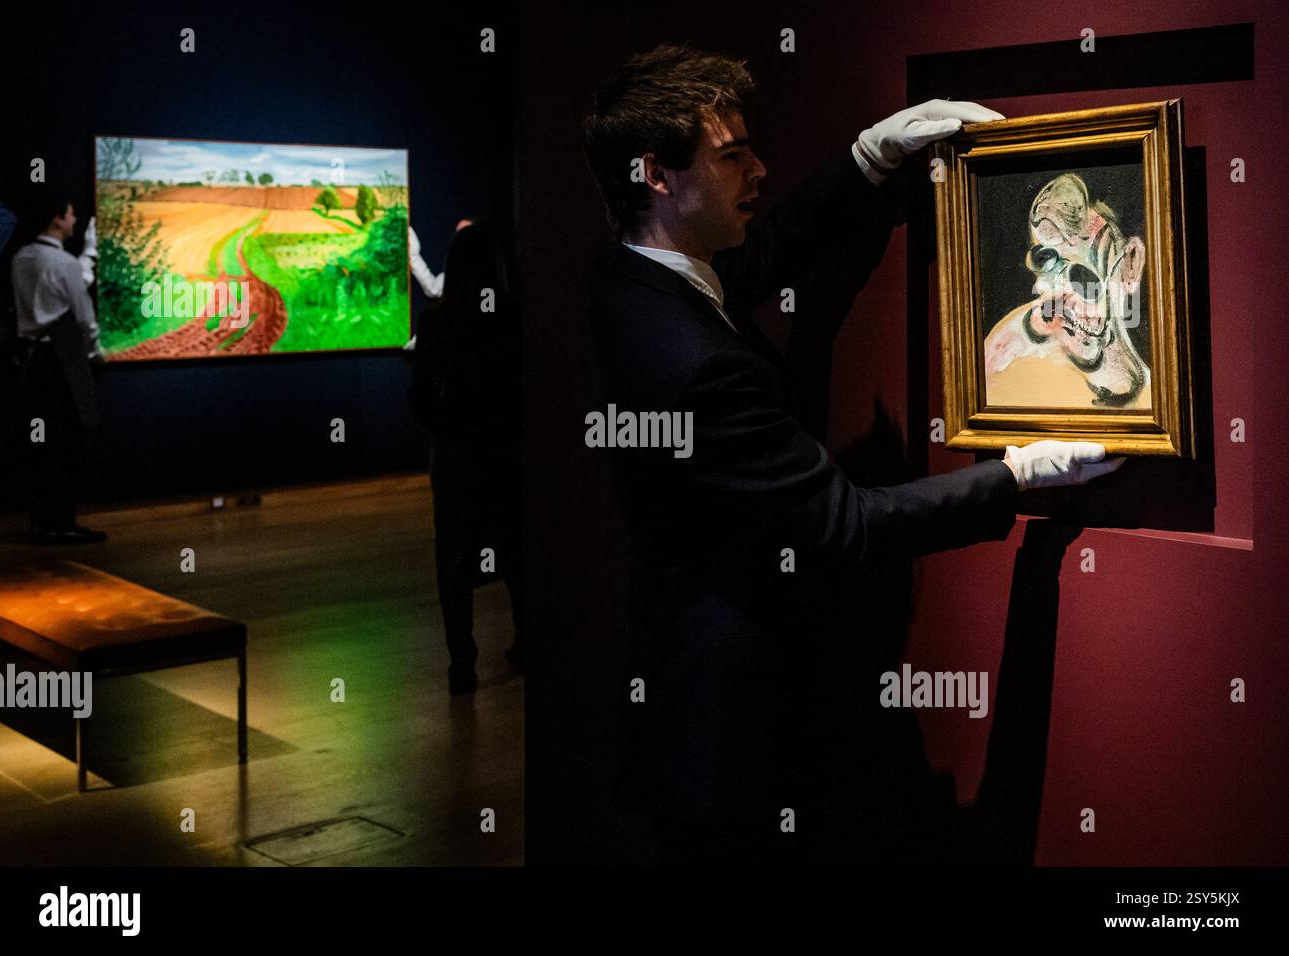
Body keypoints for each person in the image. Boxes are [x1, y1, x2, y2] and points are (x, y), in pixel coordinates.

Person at [582, 43, 1123, 864]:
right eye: (732, 158)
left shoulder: (631, 276)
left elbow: (758, 259)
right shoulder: (691, 362)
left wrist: (865, 162)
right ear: (657, 174)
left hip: (690, 692)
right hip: (734, 735)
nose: (758, 169)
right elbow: (843, 524)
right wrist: (1014, 476)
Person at [409, 218, 524, 695]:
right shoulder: (515, 318)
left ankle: (462, 663)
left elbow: (419, 397)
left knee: (453, 561)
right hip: (505, 455)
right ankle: (526, 643)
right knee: (516, 552)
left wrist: (448, 430)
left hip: (456, 459)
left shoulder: (436, 322)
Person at [10, 190, 107, 544]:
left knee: (41, 444)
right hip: (63, 362)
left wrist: (88, 253)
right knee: (67, 443)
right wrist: (96, 352)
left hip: (35, 360)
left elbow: (67, 283)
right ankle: (63, 522)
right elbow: (83, 315)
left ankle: (42, 520)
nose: (74, 220)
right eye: (70, 214)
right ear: (57, 219)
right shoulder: (62, 264)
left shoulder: (22, 257)